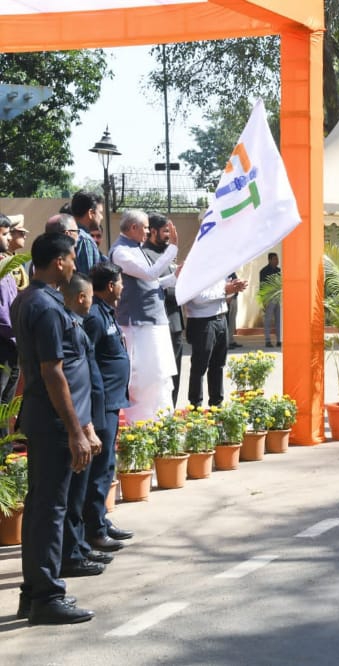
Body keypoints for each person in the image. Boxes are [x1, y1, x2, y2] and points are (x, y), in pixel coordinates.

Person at [12, 232, 98, 625]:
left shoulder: (30, 299)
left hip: (49, 421)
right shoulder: (46, 306)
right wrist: (75, 429)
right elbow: (52, 371)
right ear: (59, 261)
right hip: (54, 423)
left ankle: (34, 592)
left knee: (43, 507)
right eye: (72, 259)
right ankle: (46, 594)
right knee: (50, 509)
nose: (76, 266)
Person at [59, 273, 111, 577]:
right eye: (90, 296)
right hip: (76, 420)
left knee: (78, 491)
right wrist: (84, 427)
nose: (92, 301)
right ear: (81, 297)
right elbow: (68, 381)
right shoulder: (67, 323)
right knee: (73, 492)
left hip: (87, 414)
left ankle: (78, 548)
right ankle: (72, 554)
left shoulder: (76, 322)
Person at [110, 209, 179, 422]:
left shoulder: (137, 249)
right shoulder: (121, 251)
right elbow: (149, 274)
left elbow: (152, 283)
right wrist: (173, 248)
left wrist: (174, 277)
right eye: (146, 227)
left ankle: (162, 423)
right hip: (138, 324)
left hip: (155, 321)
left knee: (161, 377)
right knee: (144, 380)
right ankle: (143, 428)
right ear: (133, 228)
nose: (148, 232)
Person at [82, 263, 133, 549]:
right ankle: (93, 529)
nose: (123, 287)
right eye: (121, 282)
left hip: (112, 400)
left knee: (107, 465)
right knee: (100, 468)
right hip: (100, 403)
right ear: (111, 285)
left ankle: (99, 519)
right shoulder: (94, 317)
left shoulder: (105, 312)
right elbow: (87, 361)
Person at [183, 275, 248, 407]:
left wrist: (234, 288)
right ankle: (195, 406)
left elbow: (226, 298)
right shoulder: (195, 269)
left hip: (221, 319)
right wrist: (225, 290)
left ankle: (216, 405)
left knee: (218, 365)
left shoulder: (219, 270)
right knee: (199, 366)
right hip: (202, 321)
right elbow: (197, 298)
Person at [143, 213, 185, 405]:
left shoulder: (169, 252)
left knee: (175, 372)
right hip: (158, 322)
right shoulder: (145, 256)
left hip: (175, 322)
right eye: (166, 231)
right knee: (160, 374)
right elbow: (151, 287)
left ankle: (172, 412)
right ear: (153, 231)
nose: (169, 235)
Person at [0, 215, 20, 406]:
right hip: (5, 342)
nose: (9, 238)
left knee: (6, 403)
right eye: (5, 234)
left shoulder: (5, 263)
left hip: (13, 343)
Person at [69, 191, 104, 274]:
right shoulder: (85, 240)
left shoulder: (67, 233)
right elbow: (87, 280)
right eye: (100, 212)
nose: (101, 217)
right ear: (91, 213)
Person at [260, 252, 282, 347]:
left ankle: (279, 340)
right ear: (270, 260)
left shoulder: (279, 270)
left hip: (278, 298)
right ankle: (267, 340)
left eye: (277, 259)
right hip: (269, 298)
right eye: (275, 259)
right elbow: (262, 286)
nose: (277, 261)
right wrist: (263, 300)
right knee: (268, 320)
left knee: (279, 320)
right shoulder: (264, 271)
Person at [226, 272, 242, 350]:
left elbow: (237, 282)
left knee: (232, 320)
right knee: (227, 320)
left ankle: (231, 340)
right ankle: (227, 342)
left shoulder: (232, 272)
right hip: (227, 299)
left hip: (234, 298)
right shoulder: (224, 272)